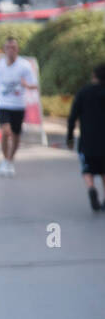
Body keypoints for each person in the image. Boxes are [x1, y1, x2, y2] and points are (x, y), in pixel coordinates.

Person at [0, 36, 38, 177]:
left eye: (14, 48)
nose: (11, 50)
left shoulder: (24, 66)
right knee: (5, 131)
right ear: (4, 50)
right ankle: (5, 159)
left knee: (16, 135)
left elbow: (34, 85)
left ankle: (10, 160)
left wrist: (26, 85)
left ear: (17, 49)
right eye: (8, 48)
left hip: (18, 105)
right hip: (4, 104)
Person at [66, 63, 105, 211]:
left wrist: (69, 138)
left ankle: (91, 188)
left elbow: (72, 117)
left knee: (87, 169)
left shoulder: (84, 92)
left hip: (88, 140)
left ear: (94, 76)